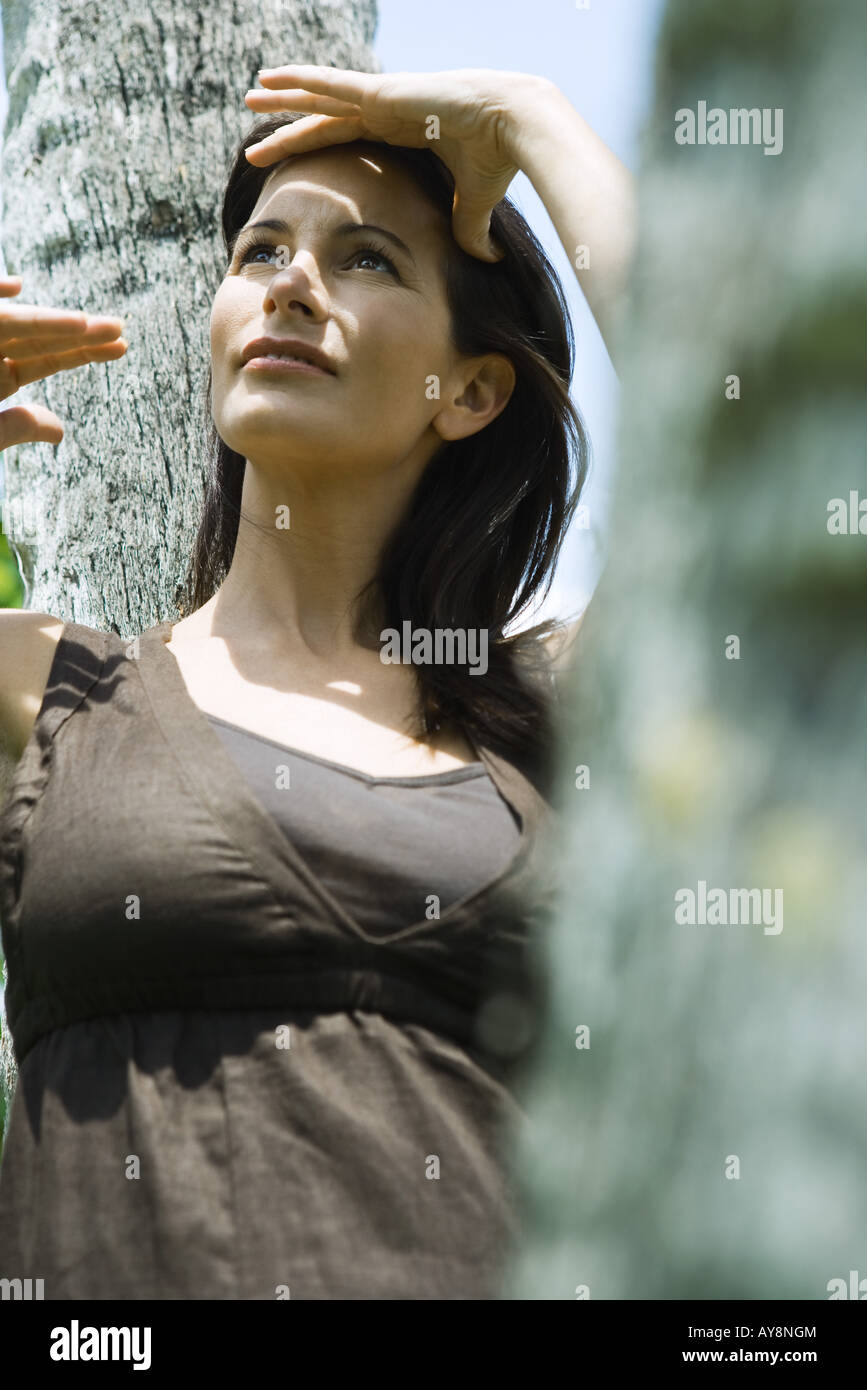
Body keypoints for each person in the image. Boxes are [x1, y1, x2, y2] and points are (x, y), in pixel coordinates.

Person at [0, 66, 635, 1299]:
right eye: (262, 250)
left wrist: (528, 120)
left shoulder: (551, 711)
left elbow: (766, 433)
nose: (292, 280)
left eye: (368, 261)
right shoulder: (45, 688)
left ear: (474, 389)